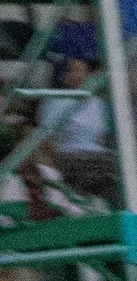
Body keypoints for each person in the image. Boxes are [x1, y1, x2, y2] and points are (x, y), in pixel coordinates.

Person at [37, 58, 117, 204]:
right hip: (69, 155)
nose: (77, 75)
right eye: (72, 70)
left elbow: (103, 137)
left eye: (82, 71)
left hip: (100, 156)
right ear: (62, 75)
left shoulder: (97, 103)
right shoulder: (54, 100)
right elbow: (46, 140)